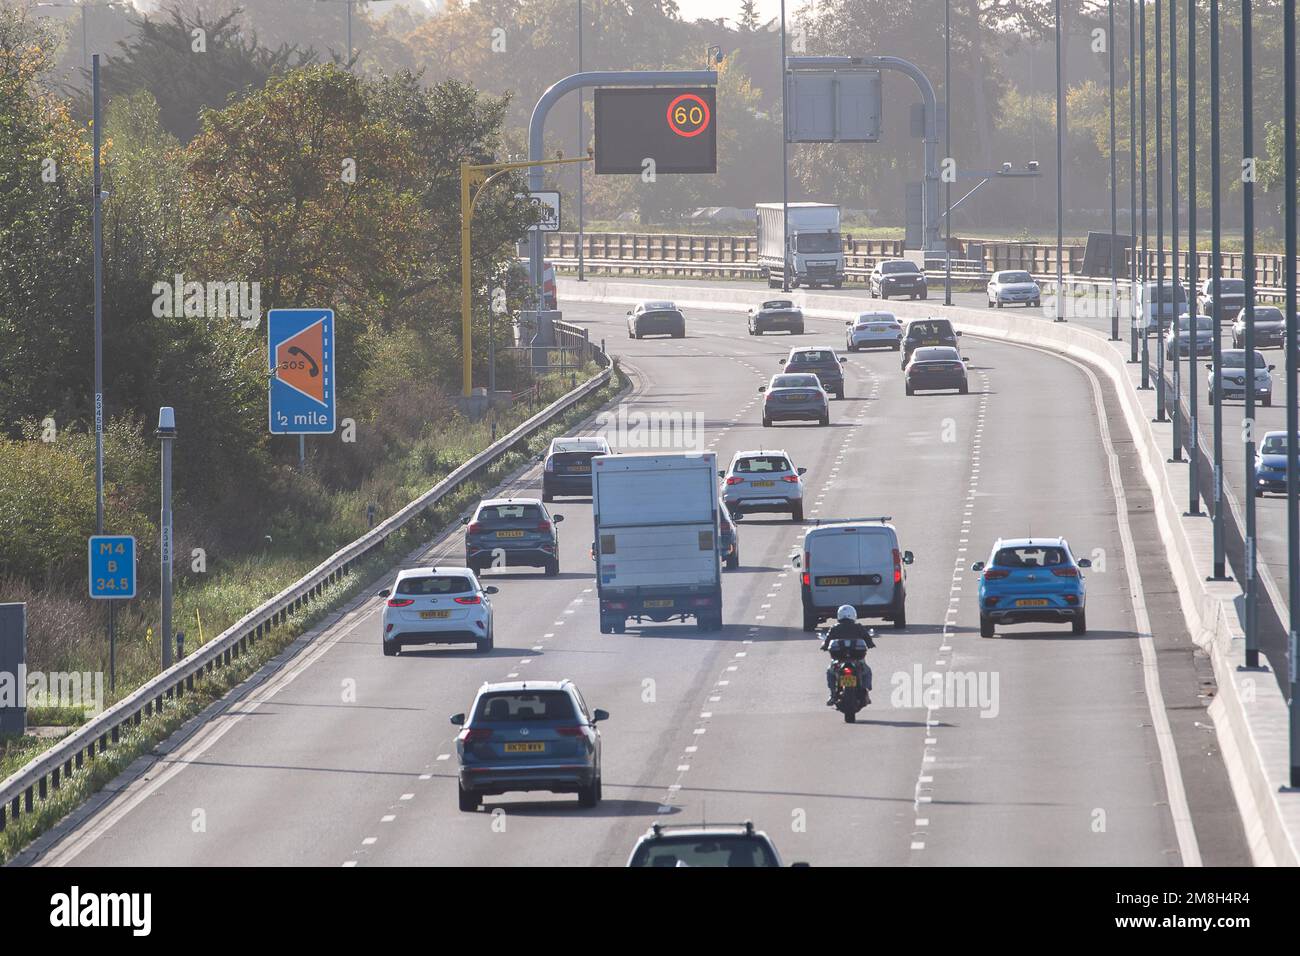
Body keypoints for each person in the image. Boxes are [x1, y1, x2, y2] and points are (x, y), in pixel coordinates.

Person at [821, 605, 876, 706]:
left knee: (830, 671)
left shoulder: (834, 628)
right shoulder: (859, 627)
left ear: (839, 615)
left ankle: (833, 693)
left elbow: (827, 641)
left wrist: (824, 646)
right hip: (856, 658)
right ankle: (866, 690)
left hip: (840, 659)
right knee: (867, 671)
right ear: (853, 615)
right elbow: (868, 639)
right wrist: (871, 644)